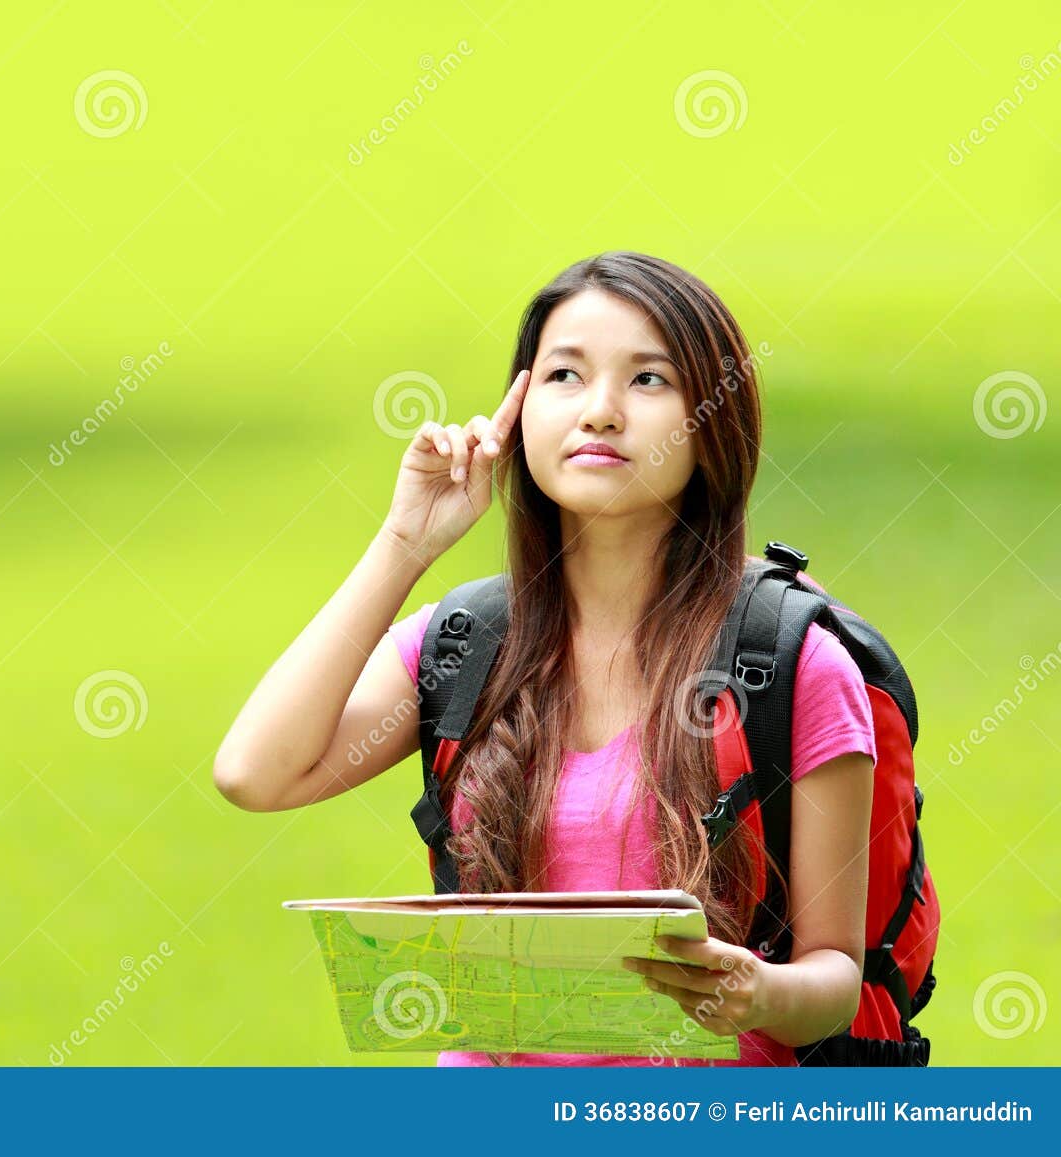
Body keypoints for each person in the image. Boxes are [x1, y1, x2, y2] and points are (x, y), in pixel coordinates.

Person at [213, 250, 875, 1066]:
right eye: (564, 375)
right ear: (518, 409)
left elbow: (836, 977)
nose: (599, 411)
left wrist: (759, 992)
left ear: (714, 426)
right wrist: (404, 543)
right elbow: (255, 771)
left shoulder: (788, 664)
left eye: (648, 380)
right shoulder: (467, 645)